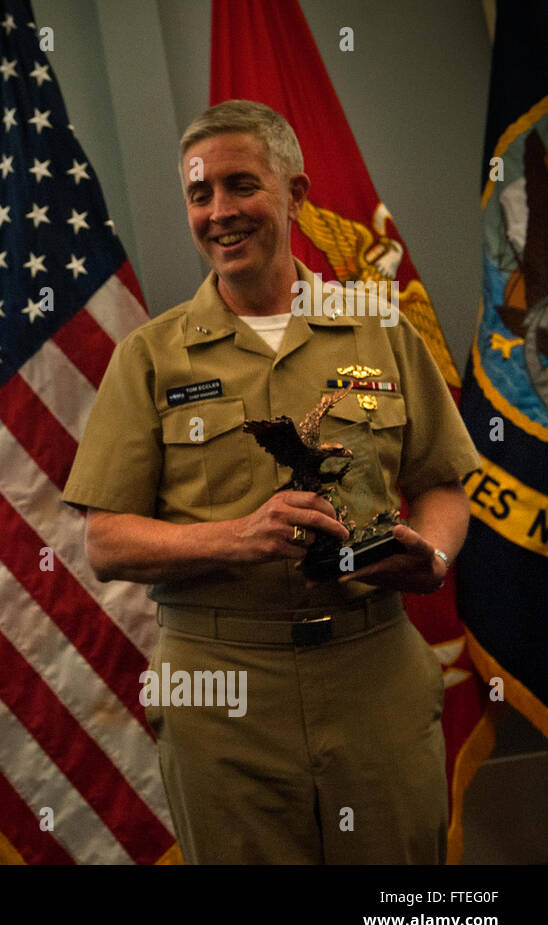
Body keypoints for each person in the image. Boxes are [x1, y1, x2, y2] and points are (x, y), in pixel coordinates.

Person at [63, 100, 479, 864]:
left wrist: (437, 557)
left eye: (240, 186)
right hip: (223, 693)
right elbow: (104, 541)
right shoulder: (151, 359)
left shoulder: (379, 328)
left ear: (295, 193)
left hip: (373, 670)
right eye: (199, 194)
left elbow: (445, 479)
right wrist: (238, 537)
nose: (219, 212)